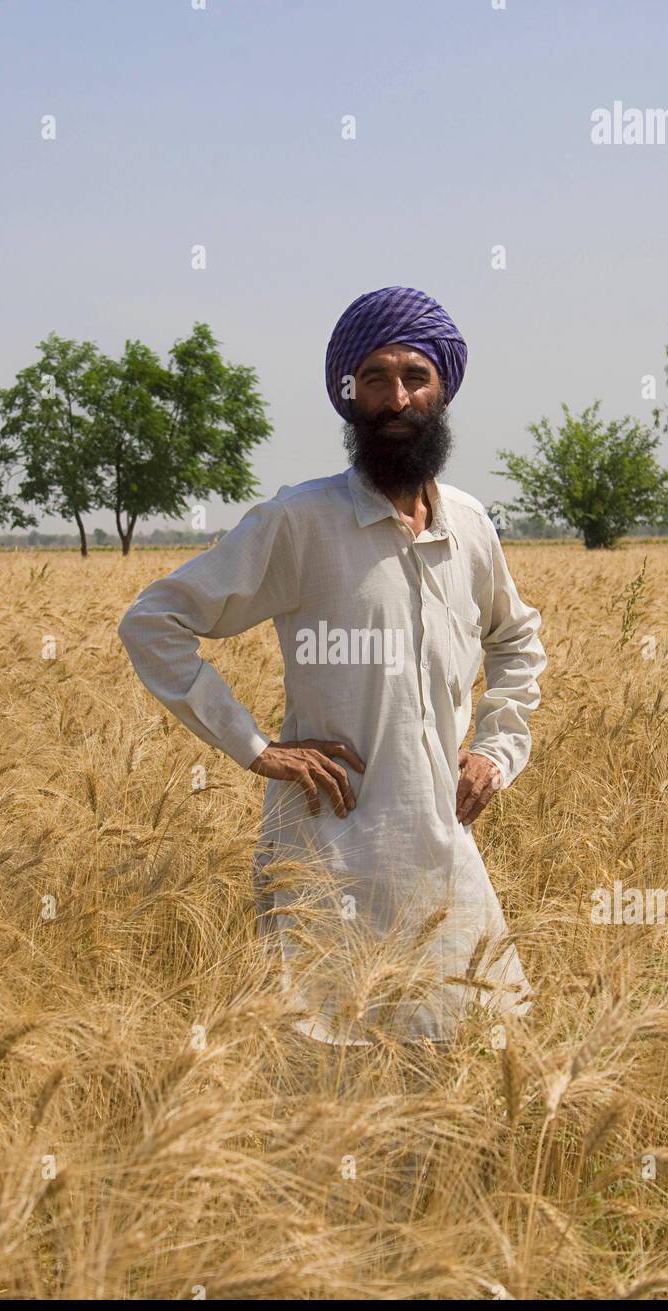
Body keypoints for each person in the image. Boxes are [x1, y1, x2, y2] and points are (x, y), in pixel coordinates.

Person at [117, 285, 547, 1060]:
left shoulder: (472, 528)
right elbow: (155, 622)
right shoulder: (300, 523)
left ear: (443, 389)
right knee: (323, 1071)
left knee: (468, 1058)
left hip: (441, 852)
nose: (396, 397)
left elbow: (516, 641)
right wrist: (255, 747)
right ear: (348, 396)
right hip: (326, 859)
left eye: (415, 376)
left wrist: (494, 752)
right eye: (374, 378)